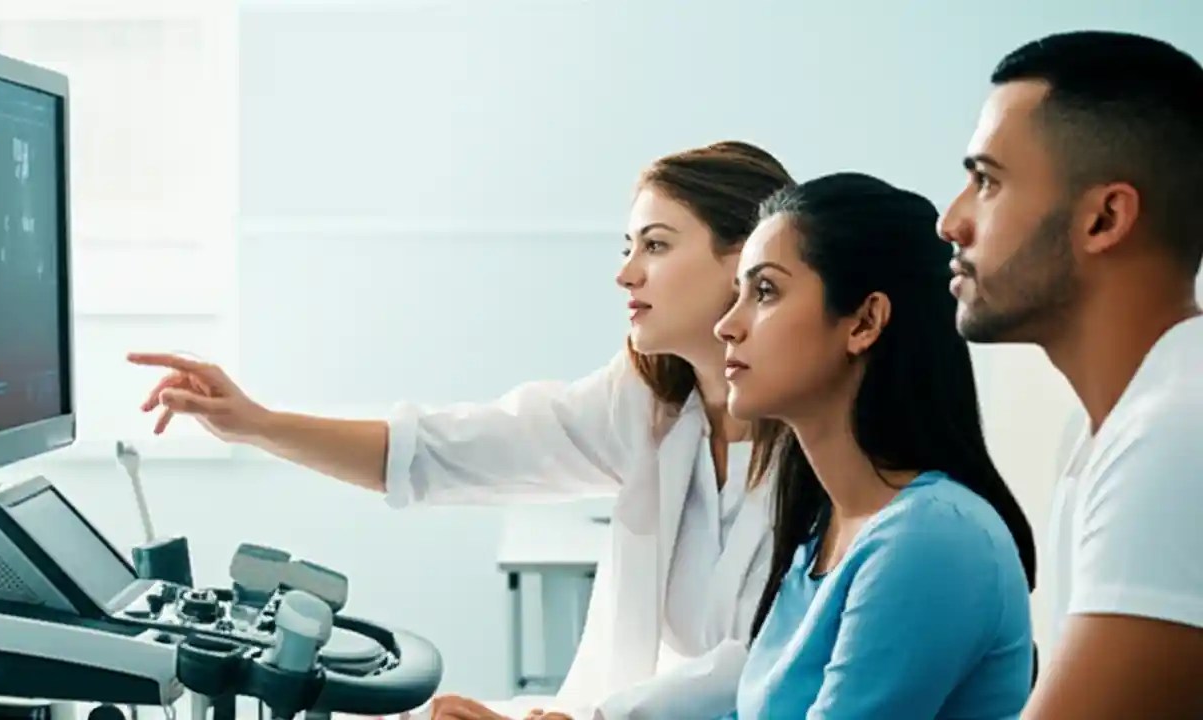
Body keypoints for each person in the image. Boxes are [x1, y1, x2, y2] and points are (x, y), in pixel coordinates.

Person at [127, 141, 795, 720]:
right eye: (628, 247)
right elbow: (437, 453)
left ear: (748, 261)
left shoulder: (821, 443)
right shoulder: (645, 408)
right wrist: (256, 424)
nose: (626, 273)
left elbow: (770, 660)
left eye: (655, 245)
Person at [939, 30, 1203, 719]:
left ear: (1105, 218)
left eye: (987, 181)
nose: (952, 221)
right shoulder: (1108, 435)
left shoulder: (1173, 433)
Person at [713, 173, 1037, 718]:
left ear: (865, 321)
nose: (727, 325)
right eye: (737, 294)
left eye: (765, 291)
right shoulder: (821, 537)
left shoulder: (931, 535)